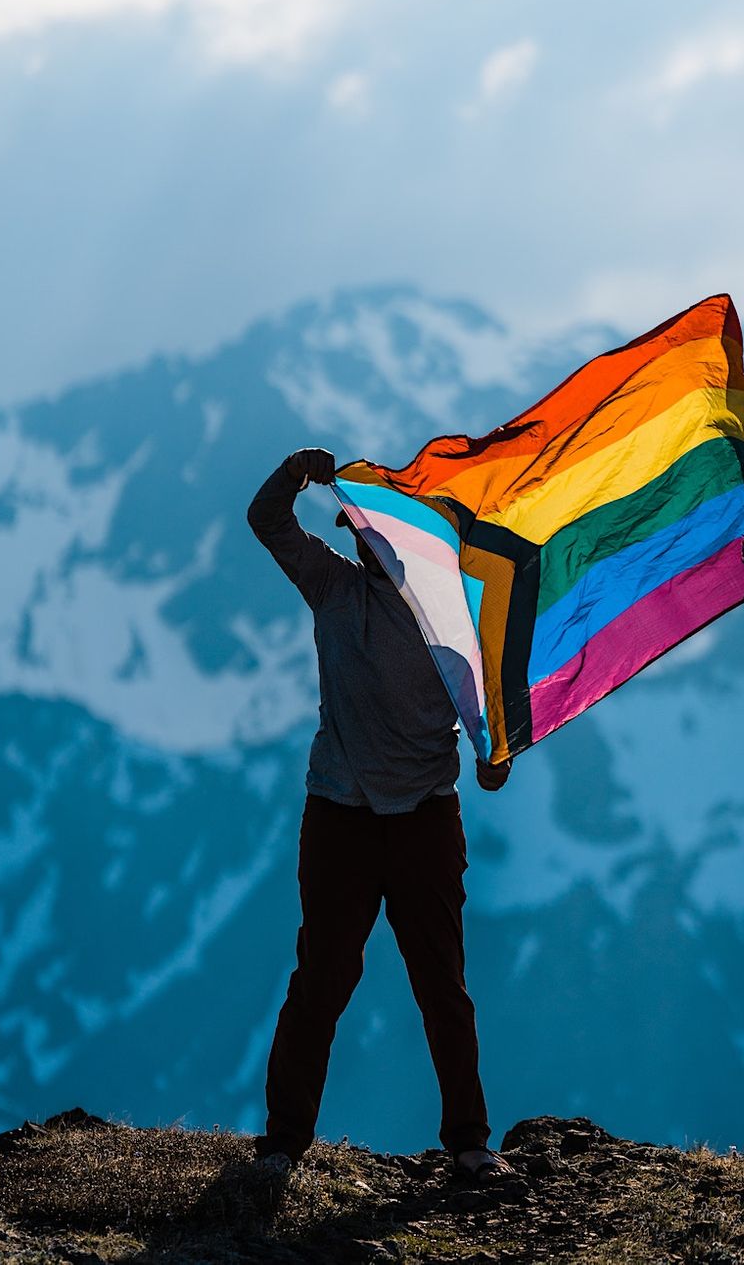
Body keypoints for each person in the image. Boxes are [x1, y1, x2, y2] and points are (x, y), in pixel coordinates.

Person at [246, 446, 513, 1183]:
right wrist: (292, 471)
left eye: (371, 531)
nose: (363, 541)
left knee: (436, 986)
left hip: (409, 816)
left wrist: (496, 754)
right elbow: (265, 519)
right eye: (358, 530)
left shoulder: (445, 616)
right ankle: (283, 1142)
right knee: (326, 981)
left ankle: (467, 1141)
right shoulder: (336, 586)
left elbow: (489, 723)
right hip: (351, 816)